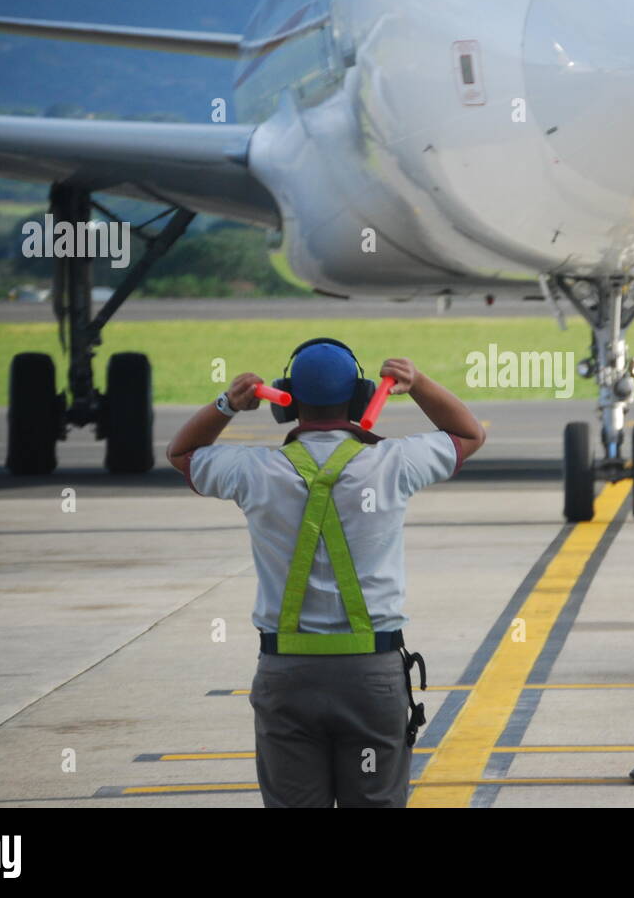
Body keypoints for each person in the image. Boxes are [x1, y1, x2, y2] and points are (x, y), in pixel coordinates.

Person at [166, 339, 485, 807]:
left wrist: (228, 404)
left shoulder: (255, 470)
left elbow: (182, 452)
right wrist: (418, 386)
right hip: (371, 678)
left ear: (285, 399)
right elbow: (469, 434)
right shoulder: (392, 463)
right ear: (360, 397)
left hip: (287, 676)